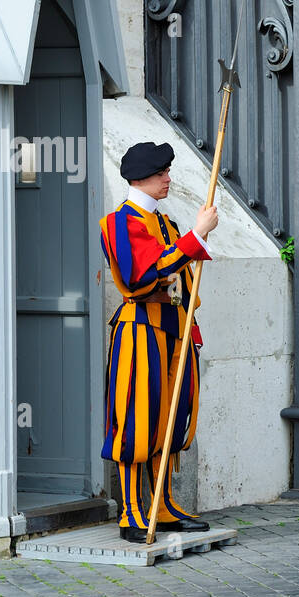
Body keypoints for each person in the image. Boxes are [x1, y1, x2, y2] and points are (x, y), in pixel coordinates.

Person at [100, 141, 219, 543]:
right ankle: (132, 512)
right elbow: (143, 275)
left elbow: (175, 271)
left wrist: (186, 245)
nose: (169, 179)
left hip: (174, 327)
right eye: (162, 173)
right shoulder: (119, 223)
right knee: (137, 420)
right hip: (140, 331)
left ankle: (162, 505)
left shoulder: (164, 223)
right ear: (142, 178)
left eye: (167, 172)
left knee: (173, 418)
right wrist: (195, 236)